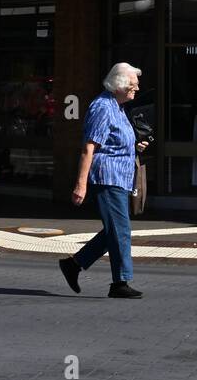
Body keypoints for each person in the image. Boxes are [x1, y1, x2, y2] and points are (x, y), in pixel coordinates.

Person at [59, 63, 149, 298]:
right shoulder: (102, 107)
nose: (137, 88)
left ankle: (74, 264)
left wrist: (135, 144)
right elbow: (89, 147)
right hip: (107, 176)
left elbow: (115, 140)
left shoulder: (118, 107)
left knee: (115, 230)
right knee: (121, 230)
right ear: (119, 85)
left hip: (119, 177)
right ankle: (120, 282)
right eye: (133, 84)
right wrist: (81, 184)